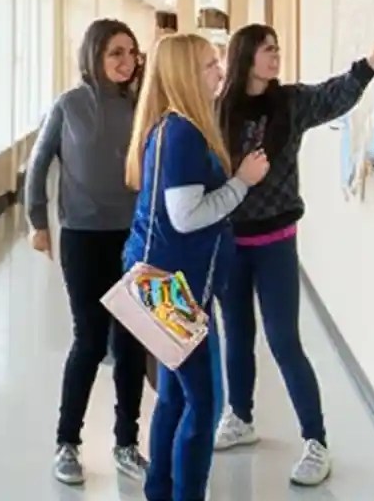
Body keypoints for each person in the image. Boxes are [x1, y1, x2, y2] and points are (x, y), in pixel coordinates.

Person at [212, 14, 374, 486]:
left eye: (277, 47)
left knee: (284, 341)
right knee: (236, 334)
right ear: (245, 58)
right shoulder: (217, 109)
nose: (276, 55)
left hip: (276, 243)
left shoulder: (292, 103)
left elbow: (339, 93)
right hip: (230, 242)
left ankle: (316, 442)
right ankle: (239, 417)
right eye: (267, 48)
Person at [121, 33, 269, 501]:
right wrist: (242, 182)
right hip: (165, 289)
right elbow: (186, 217)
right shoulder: (181, 132)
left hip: (165, 284)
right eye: (209, 65)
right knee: (204, 403)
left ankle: (161, 491)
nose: (220, 73)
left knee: (175, 396)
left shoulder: (175, 129)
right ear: (187, 74)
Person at [25, 19, 150, 485]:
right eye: (115, 53)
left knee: (133, 343)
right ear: (95, 55)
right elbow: (37, 167)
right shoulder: (69, 105)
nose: (125, 62)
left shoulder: (142, 106)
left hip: (134, 237)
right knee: (90, 342)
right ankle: (67, 443)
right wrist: (38, 221)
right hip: (82, 237)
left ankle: (126, 443)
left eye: (132, 53)